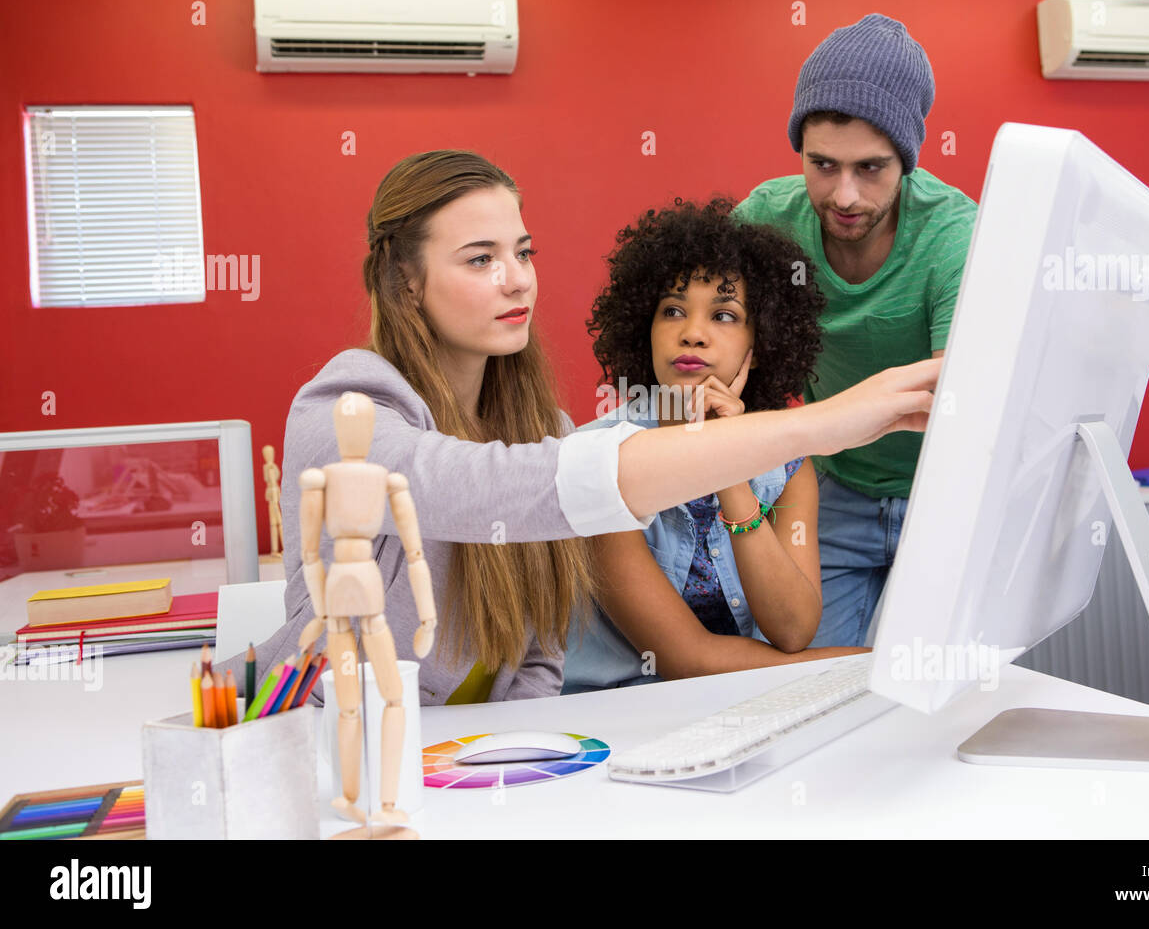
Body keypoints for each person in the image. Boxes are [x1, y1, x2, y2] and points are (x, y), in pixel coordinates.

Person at [218, 150, 941, 706]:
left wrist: (531, 759)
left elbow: (536, 654)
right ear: (405, 280)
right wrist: (821, 425)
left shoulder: (543, 426)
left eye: (523, 253)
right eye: (482, 259)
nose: (518, 279)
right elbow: (481, 490)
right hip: (324, 743)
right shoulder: (346, 408)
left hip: (469, 754)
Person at [733, 14, 977, 648]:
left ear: (907, 161)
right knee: (820, 691)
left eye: (871, 168)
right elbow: (694, 336)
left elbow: (961, 398)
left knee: (929, 701)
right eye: (822, 164)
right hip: (829, 493)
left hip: (942, 498)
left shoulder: (957, 235)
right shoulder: (766, 218)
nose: (843, 194)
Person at [563, 197, 863, 693]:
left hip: (722, 709)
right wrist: (858, 665)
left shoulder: (787, 466)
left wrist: (728, 462)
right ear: (646, 329)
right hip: (604, 715)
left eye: (724, 315)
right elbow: (683, 658)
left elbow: (793, 630)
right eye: (673, 310)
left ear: (758, 345)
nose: (693, 333)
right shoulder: (595, 461)